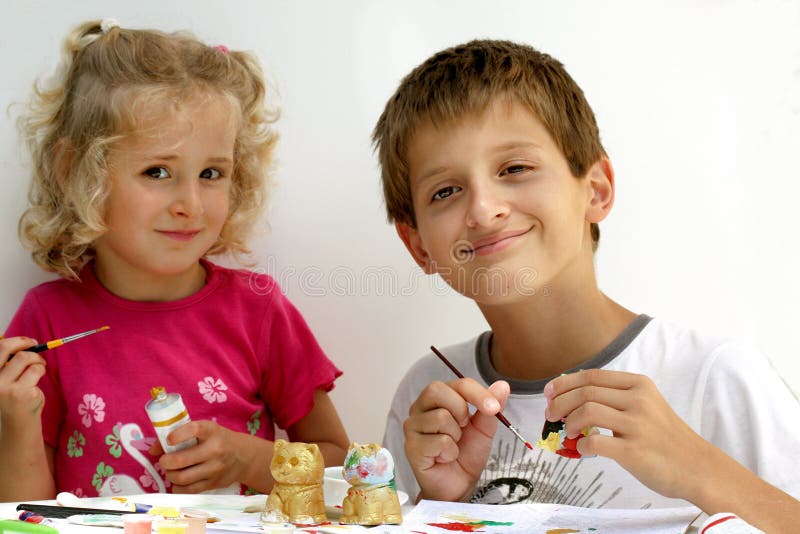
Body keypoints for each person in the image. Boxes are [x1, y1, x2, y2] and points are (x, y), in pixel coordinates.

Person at [374, 39, 800, 531]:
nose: (483, 210)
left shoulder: (717, 378)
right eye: (446, 191)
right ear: (418, 246)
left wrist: (698, 468)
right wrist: (445, 505)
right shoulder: (426, 396)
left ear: (596, 190)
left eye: (515, 168)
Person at [0, 19, 349, 501]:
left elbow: (345, 467)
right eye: (157, 171)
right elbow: (24, 515)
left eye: (211, 172)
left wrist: (249, 458)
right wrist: (15, 420)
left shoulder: (259, 311)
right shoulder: (46, 319)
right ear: (76, 170)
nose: (192, 203)